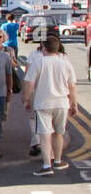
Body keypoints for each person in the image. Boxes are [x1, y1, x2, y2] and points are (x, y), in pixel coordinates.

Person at [23, 34, 78, 175]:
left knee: (44, 135)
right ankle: (58, 161)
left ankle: (47, 165)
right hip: (62, 104)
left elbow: (29, 83)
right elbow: (72, 86)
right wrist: (74, 104)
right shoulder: (66, 64)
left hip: (43, 104)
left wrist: (26, 99)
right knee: (59, 133)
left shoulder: (38, 63)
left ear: (44, 48)